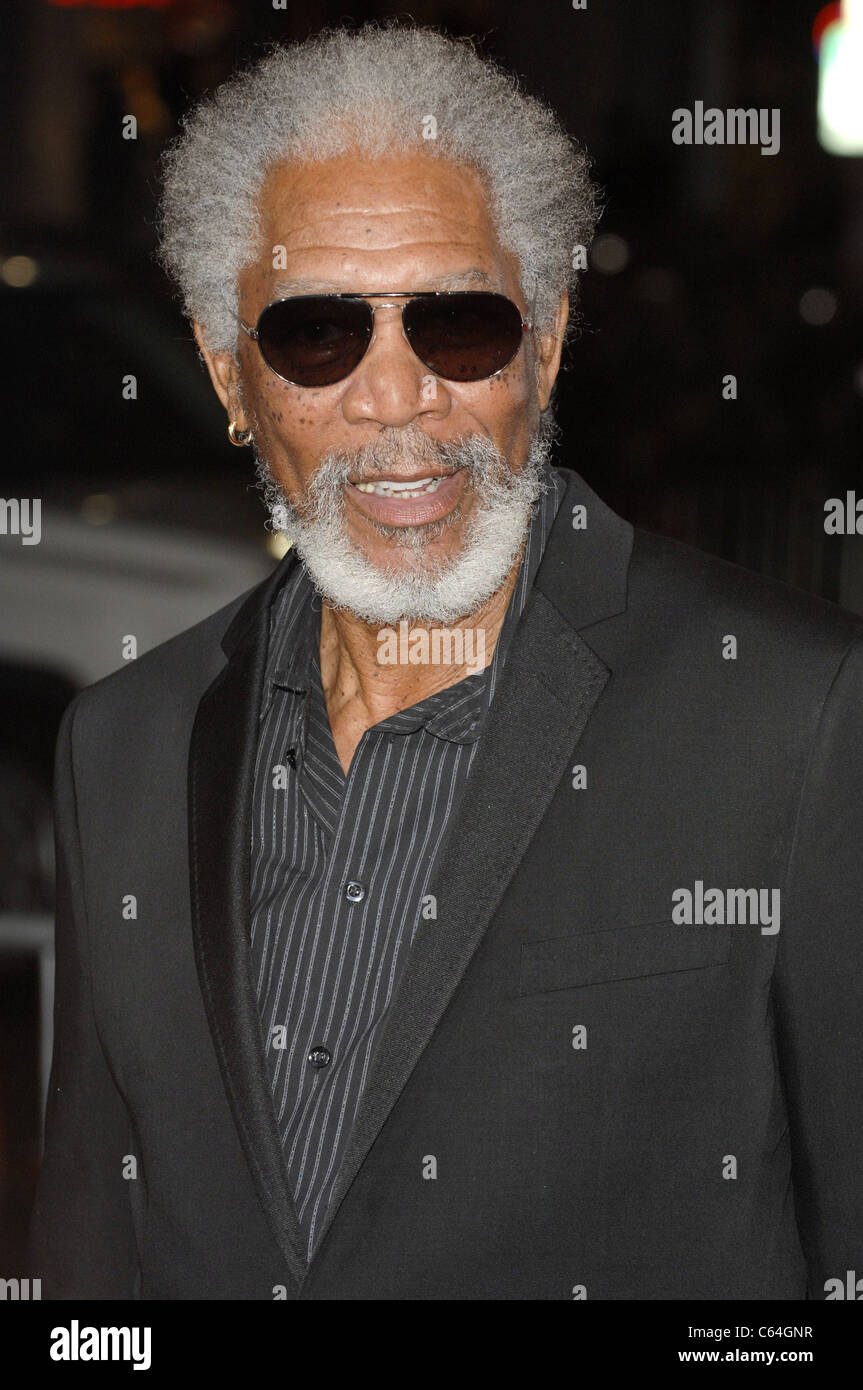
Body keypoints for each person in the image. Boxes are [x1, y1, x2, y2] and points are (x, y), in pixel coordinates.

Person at [29, 23, 863, 1300]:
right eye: (316, 333)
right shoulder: (124, 743)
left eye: (459, 323)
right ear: (226, 374)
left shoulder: (794, 714)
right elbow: (95, 1263)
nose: (395, 397)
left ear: (546, 338)